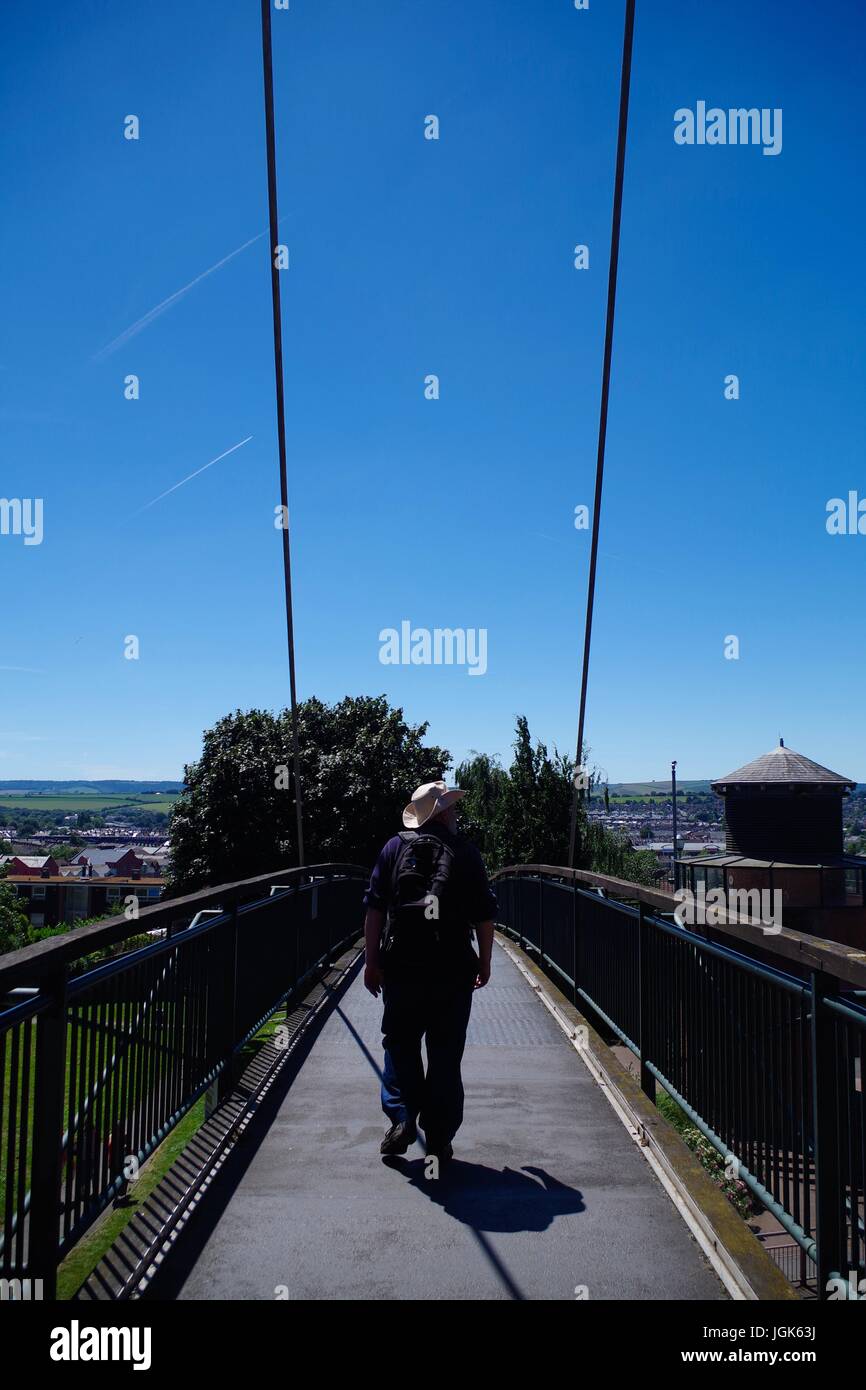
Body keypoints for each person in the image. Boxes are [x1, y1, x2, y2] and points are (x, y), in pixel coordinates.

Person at [363, 780, 496, 1164]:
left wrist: (372, 963)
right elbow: (485, 915)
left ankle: (403, 1116)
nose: (455, 814)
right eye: (451, 808)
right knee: (445, 1052)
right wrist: (484, 962)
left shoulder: (394, 848)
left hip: (402, 967)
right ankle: (438, 1136)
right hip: (453, 970)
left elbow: (374, 909)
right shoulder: (465, 853)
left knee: (400, 1044)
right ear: (441, 813)